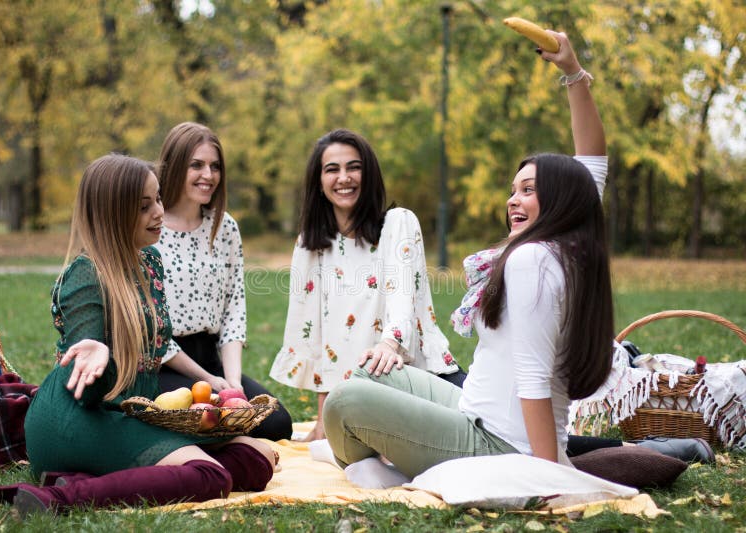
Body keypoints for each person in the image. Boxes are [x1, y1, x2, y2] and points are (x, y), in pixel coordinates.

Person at [322, 30, 624, 477]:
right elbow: (593, 160)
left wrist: (547, 473)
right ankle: (397, 461)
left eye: (528, 190)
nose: (512, 201)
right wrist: (572, 73)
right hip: (471, 409)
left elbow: (533, 377)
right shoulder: (569, 244)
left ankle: (381, 472)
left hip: (497, 443)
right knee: (368, 373)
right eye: (512, 190)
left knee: (345, 401)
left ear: (562, 200)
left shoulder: (533, 262)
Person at [0, 154, 277, 515]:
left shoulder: (149, 261)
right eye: (143, 206)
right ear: (112, 213)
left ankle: (82, 480)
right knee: (211, 476)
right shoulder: (85, 276)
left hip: (127, 412)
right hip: (75, 418)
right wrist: (99, 353)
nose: (158, 212)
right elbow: (87, 389)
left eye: (157, 200)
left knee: (260, 457)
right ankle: (58, 498)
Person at [270, 129, 465, 442]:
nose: (344, 177)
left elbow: (402, 298)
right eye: (332, 169)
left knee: (503, 432)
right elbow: (319, 339)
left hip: (421, 379)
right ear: (319, 183)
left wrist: (389, 345)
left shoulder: (397, 223)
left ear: (369, 174)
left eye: (354, 167)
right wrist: (323, 421)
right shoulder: (311, 246)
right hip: (365, 401)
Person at [154, 122, 292, 441]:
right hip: (166, 366)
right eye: (197, 165)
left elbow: (234, 309)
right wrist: (207, 380)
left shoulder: (224, 227)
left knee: (276, 422)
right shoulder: (151, 228)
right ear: (174, 167)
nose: (209, 175)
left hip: (213, 360)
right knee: (205, 424)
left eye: (215, 166)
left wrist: (233, 384)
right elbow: (153, 331)